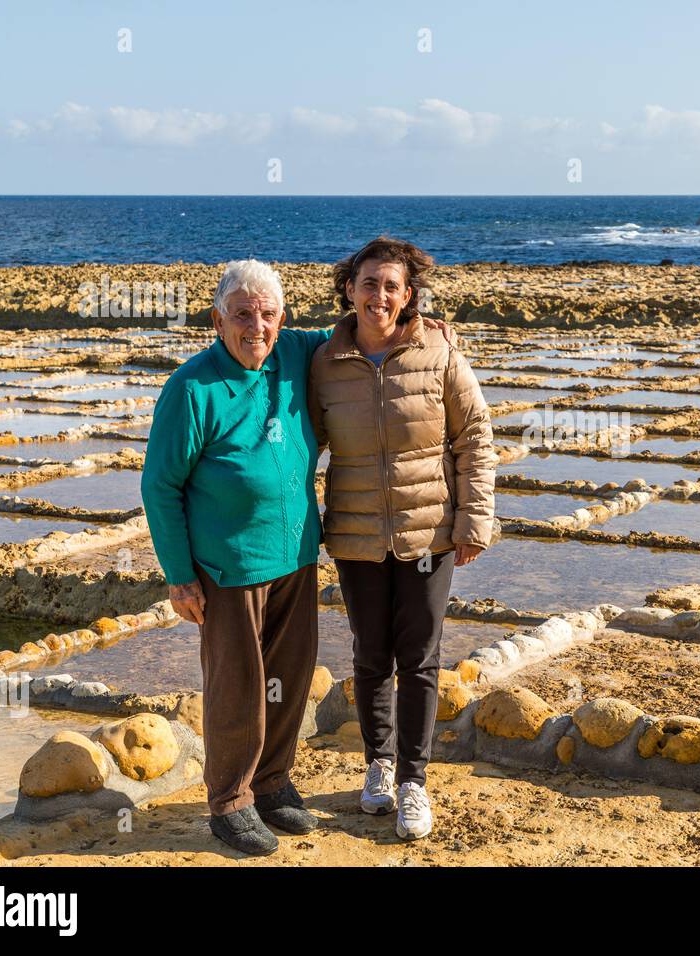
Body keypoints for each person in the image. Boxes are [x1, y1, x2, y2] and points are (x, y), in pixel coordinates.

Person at [141, 258, 456, 856]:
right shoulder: (192, 387)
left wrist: (422, 324)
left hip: (295, 556)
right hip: (228, 566)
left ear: (282, 319)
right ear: (217, 320)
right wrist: (180, 578)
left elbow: (366, 326)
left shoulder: (294, 353)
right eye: (240, 315)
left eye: (266, 314)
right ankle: (229, 800)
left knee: (286, 679)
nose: (255, 326)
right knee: (238, 687)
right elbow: (159, 487)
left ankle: (272, 782)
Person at [308, 237, 495, 840]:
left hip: (428, 534)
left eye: (391, 286)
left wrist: (473, 522)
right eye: (369, 284)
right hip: (357, 535)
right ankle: (378, 767)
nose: (379, 296)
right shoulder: (325, 360)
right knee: (369, 656)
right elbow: (298, 445)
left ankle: (414, 781)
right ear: (349, 289)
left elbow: (475, 438)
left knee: (419, 659)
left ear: (408, 294)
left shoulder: (439, 349)